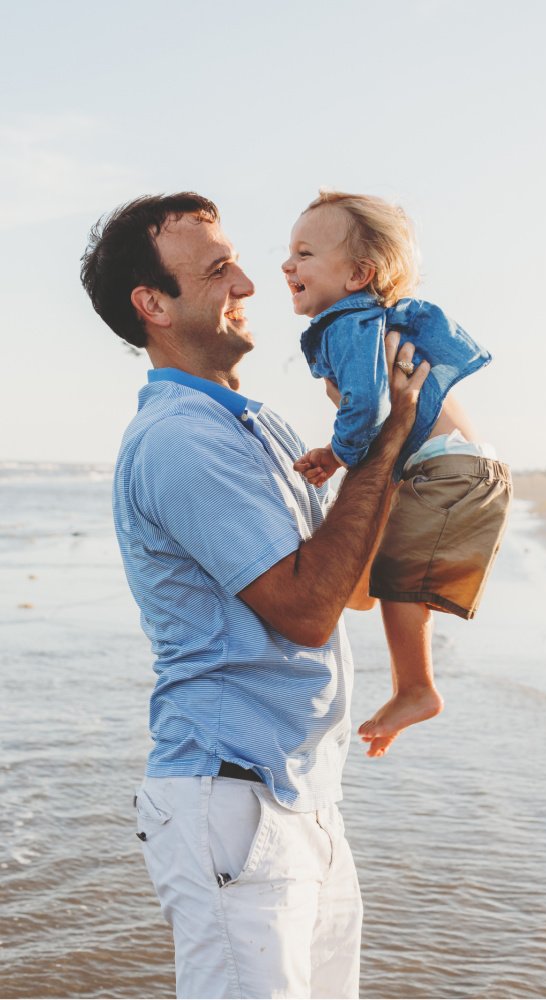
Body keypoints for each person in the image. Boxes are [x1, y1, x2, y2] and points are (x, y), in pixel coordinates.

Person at [82, 192, 427, 998]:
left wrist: (403, 450)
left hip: (305, 797)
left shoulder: (260, 427)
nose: (247, 283)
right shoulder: (181, 438)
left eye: (236, 262)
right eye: (217, 271)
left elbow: (347, 592)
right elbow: (305, 613)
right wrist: (383, 443)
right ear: (153, 305)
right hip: (232, 799)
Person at [283, 190, 511, 758]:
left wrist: (336, 454)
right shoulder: (372, 321)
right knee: (381, 581)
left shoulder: (349, 323)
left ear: (358, 275)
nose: (288, 265)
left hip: (445, 470)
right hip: (459, 466)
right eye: (289, 253)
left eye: (305, 254)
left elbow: (367, 406)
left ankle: (417, 689)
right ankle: (413, 686)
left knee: (399, 581)